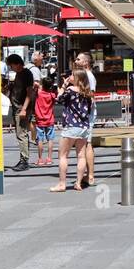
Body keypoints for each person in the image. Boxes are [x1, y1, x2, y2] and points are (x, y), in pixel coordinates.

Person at [51, 68, 93, 192]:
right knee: (81, 156)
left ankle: (62, 184)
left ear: (78, 78)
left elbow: (59, 99)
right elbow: (89, 110)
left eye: (72, 76)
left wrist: (63, 86)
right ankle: (78, 182)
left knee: (63, 155)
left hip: (71, 126)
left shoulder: (70, 90)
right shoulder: (88, 93)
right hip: (84, 127)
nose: (70, 77)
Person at [5, 53, 36, 171]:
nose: (10, 68)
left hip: (21, 108)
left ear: (17, 64)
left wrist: (24, 109)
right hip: (17, 107)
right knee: (21, 133)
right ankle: (24, 159)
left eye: (11, 65)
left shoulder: (26, 74)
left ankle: (24, 160)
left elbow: (29, 92)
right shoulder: (19, 74)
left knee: (21, 134)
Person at [74, 52, 98, 186]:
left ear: (86, 63)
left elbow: (91, 95)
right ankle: (87, 174)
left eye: (79, 59)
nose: (75, 61)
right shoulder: (84, 75)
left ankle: (90, 176)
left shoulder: (88, 76)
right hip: (84, 113)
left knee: (88, 143)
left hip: (87, 114)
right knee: (84, 142)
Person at [33, 77, 58, 166]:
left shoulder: (39, 93)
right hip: (50, 120)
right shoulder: (52, 95)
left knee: (40, 140)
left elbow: (35, 85)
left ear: (43, 85)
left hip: (39, 120)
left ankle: (40, 159)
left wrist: (39, 85)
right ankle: (49, 158)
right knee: (50, 139)